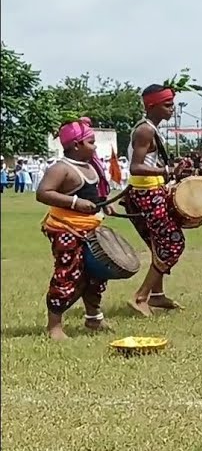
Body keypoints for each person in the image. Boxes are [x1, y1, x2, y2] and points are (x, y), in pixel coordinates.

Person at [37, 118, 113, 339]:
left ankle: (93, 318)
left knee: (95, 274)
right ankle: (54, 326)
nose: (95, 146)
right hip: (66, 229)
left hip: (89, 229)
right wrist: (74, 203)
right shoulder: (62, 169)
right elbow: (43, 192)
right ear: (76, 145)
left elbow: (95, 195)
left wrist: (105, 204)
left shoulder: (90, 167)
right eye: (91, 142)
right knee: (67, 274)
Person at [123, 83, 191, 316]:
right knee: (173, 244)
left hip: (151, 192)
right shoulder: (145, 131)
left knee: (158, 244)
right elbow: (136, 167)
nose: (172, 109)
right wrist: (167, 173)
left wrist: (173, 169)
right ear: (152, 105)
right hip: (147, 195)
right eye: (167, 104)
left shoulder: (151, 128)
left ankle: (158, 296)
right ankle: (141, 297)